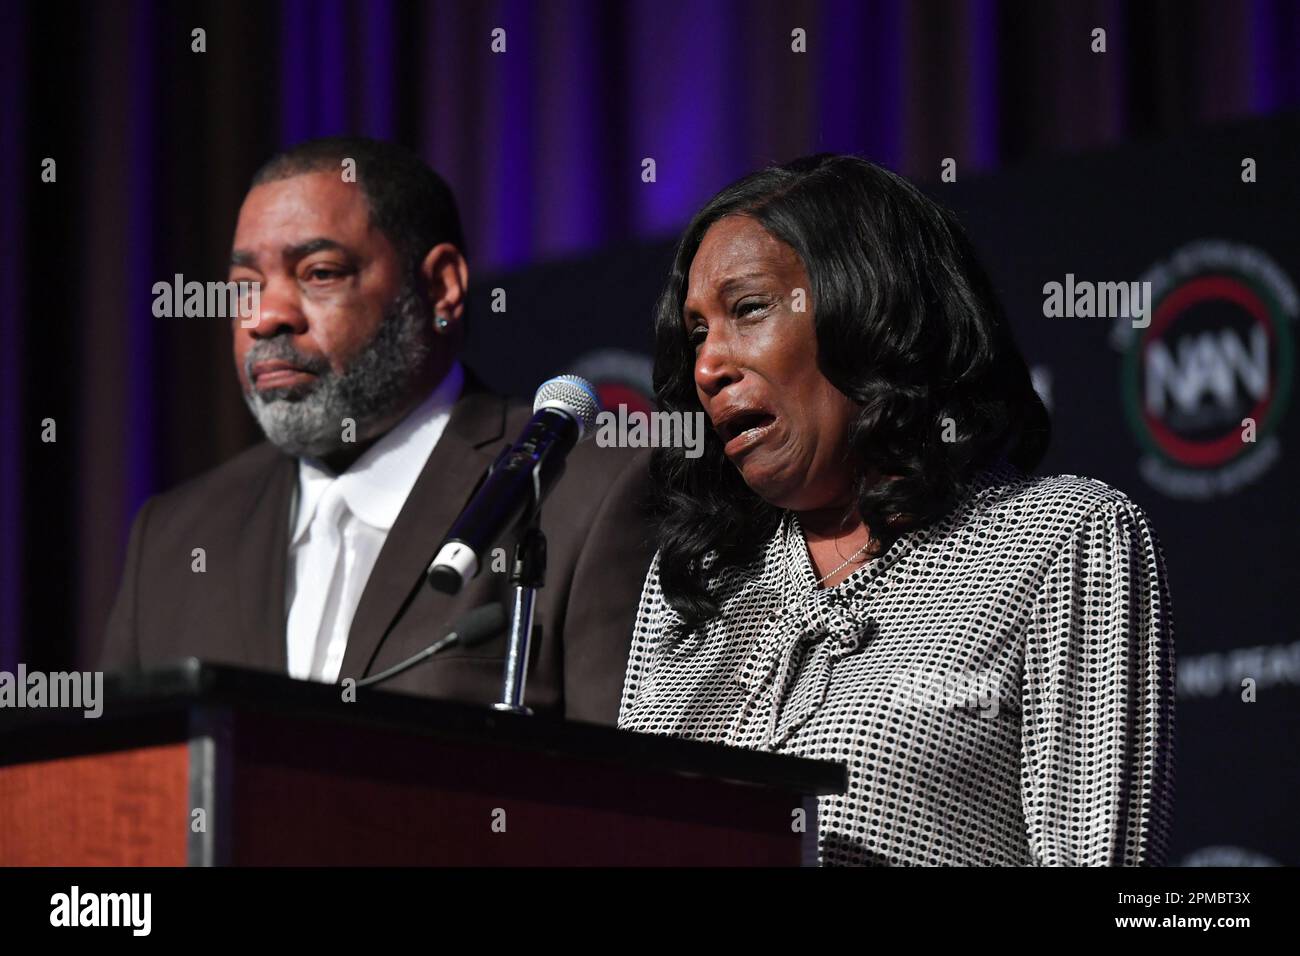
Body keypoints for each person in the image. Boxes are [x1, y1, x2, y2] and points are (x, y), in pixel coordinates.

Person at [617, 154, 1176, 865]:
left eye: (748, 309)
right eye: (697, 333)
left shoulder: (1058, 538)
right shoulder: (696, 585)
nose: (707, 367)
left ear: (873, 311)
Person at [101, 137, 654, 725]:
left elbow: (628, 798)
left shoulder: (585, 491)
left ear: (441, 286)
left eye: (319, 273)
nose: (265, 317)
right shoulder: (173, 538)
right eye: (244, 287)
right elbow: (111, 792)